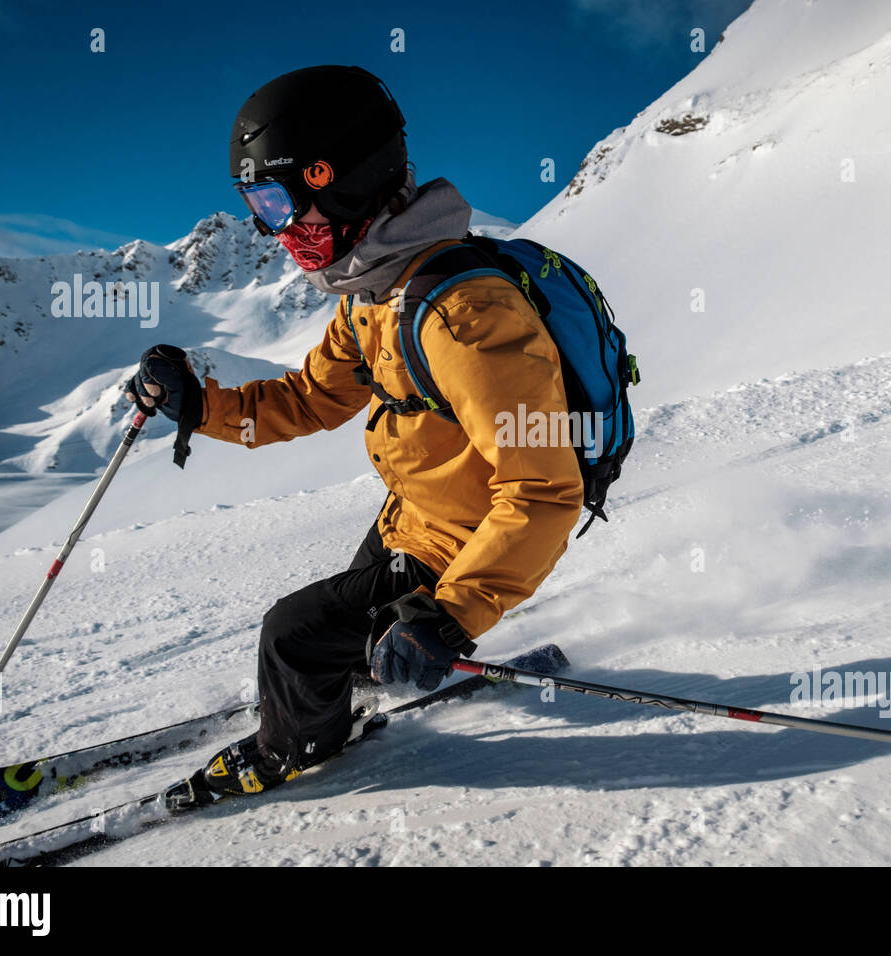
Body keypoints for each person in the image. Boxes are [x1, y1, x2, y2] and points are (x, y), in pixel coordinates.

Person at [124, 65, 583, 804]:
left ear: (338, 179)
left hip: (468, 538)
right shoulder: (376, 293)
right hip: (415, 515)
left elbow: (543, 489)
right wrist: (198, 406)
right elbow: (306, 400)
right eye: (256, 208)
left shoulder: (464, 315)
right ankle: (363, 670)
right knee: (343, 619)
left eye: (277, 203)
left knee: (294, 635)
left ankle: (295, 745)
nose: (275, 231)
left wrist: (450, 616)